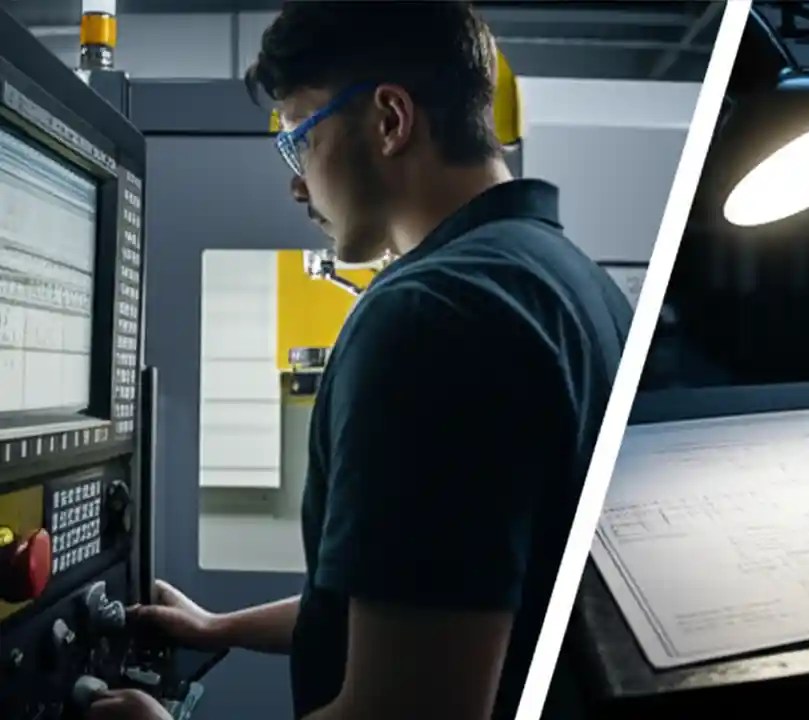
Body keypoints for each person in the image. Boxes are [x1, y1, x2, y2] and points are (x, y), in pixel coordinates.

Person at [87, 2, 632, 719]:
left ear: (388, 121)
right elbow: (422, 597)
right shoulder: (573, 282)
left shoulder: (433, 315)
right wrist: (219, 629)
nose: (297, 184)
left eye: (299, 142)